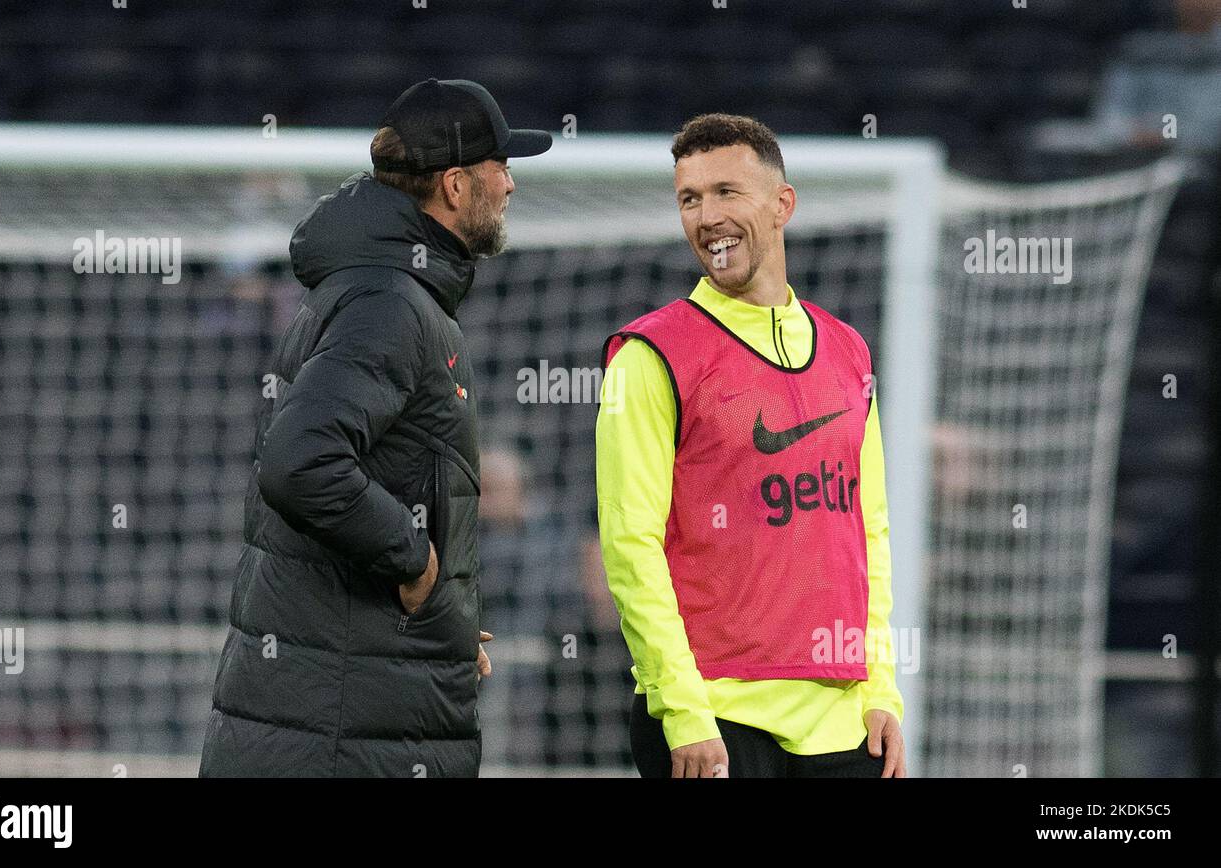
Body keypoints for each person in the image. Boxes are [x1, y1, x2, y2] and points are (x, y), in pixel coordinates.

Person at [199, 79, 550, 777]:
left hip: (351, 717)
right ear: (455, 185)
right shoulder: (388, 302)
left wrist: (438, 623)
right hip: (338, 741)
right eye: (499, 166)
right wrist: (416, 564)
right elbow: (301, 463)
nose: (510, 184)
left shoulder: (384, 289)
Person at [595, 113, 906, 778]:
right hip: (716, 717)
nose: (707, 217)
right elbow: (630, 543)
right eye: (689, 198)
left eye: (726, 192)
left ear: (781, 204)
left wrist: (881, 687)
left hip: (843, 722)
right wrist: (681, 710)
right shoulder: (651, 355)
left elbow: (867, 531)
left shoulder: (849, 351)